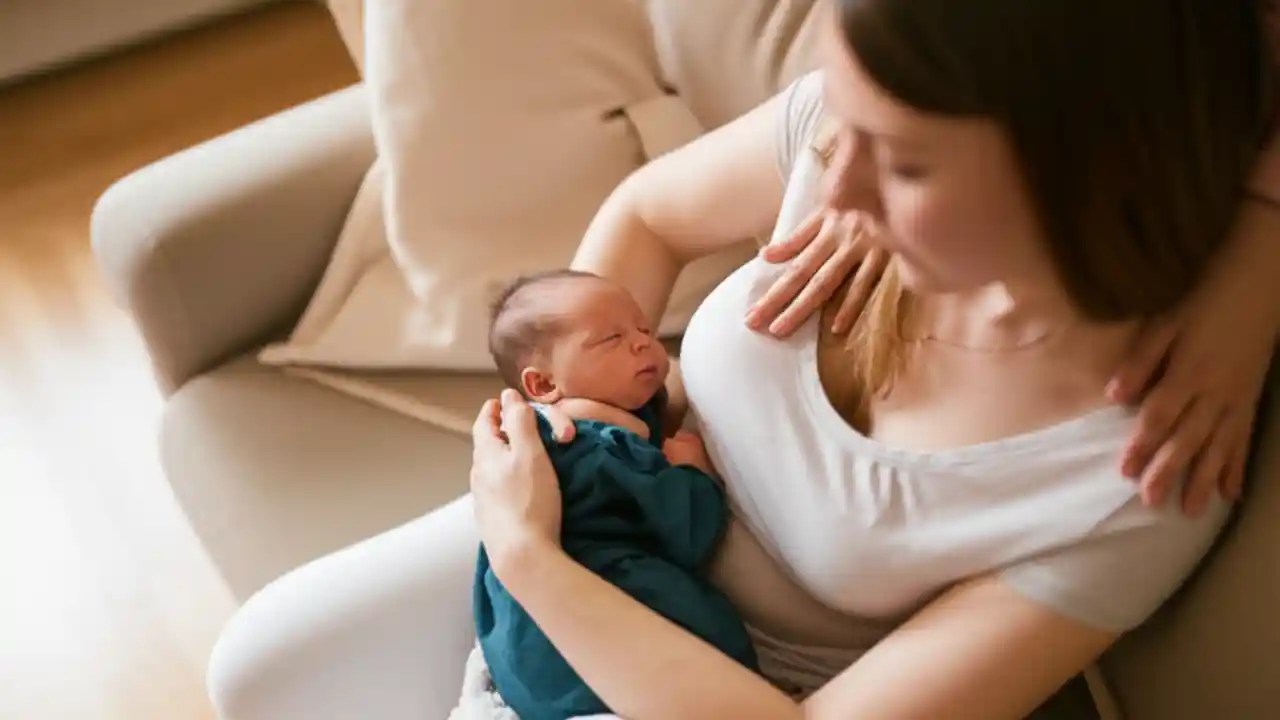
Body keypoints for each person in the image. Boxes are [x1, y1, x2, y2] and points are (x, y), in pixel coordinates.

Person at [206, 1, 1280, 719]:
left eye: (901, 163)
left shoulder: (1128, 475)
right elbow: (646, 214)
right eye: (842, 121)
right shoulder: (849, 139)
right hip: (582, 538)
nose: (833, 182)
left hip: (709, 683)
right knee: (263, 664)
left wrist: (533, 559)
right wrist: (571, 435)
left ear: (1079, 170)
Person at [463, 270, 755, 720]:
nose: (642, 344)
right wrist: (693, 475)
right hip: (591, 662)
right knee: (706, 626)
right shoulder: (598, 446)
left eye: (645, 330)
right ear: (542, 385)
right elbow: (690, 535)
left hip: (522, 657)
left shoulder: (532, 436)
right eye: (611, 339)